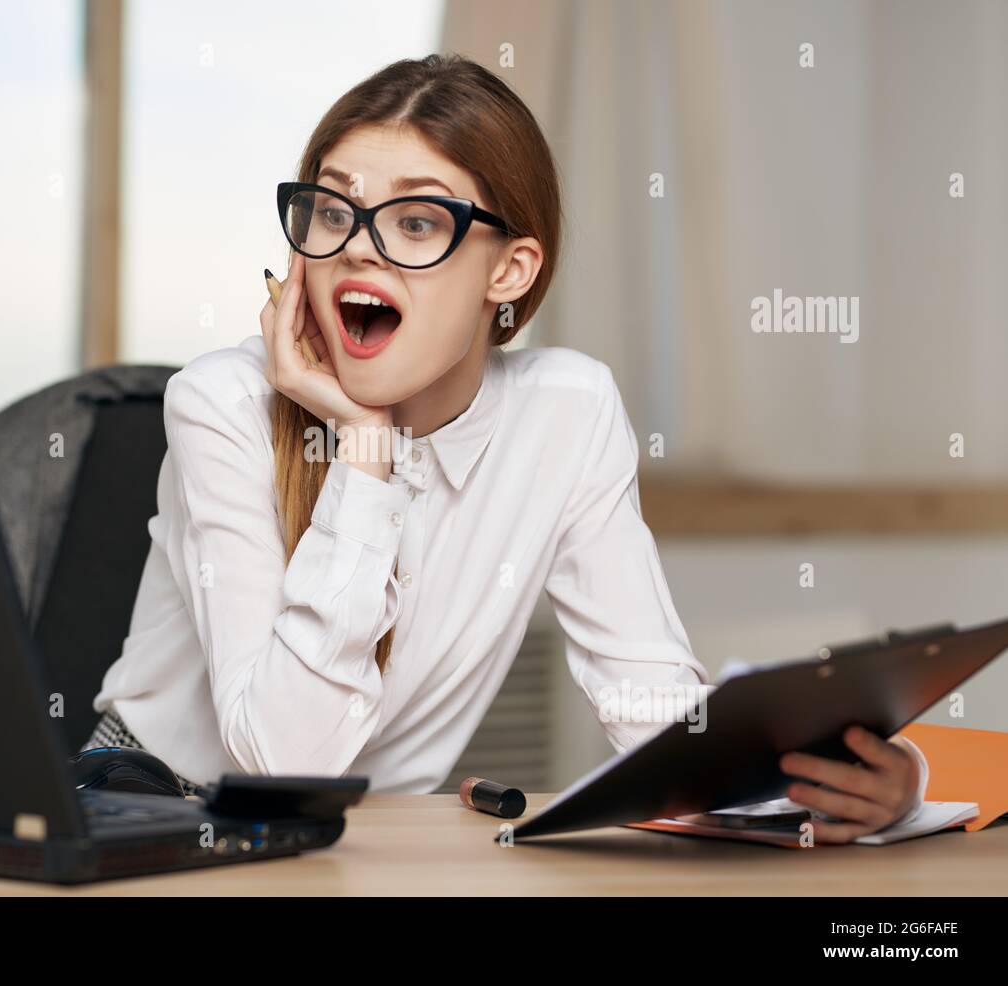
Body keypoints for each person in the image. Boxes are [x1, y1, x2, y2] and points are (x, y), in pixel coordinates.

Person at [88, 53, 926, 843]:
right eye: (334, 208)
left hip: (368, 842)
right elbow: (278, 760)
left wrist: (860, 783)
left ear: (512, 270)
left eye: (416, 220)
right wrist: (365, 449)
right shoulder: (222, 404)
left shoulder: (569, 411)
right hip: (148, 810)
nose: (356, 245)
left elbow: (656, 708)